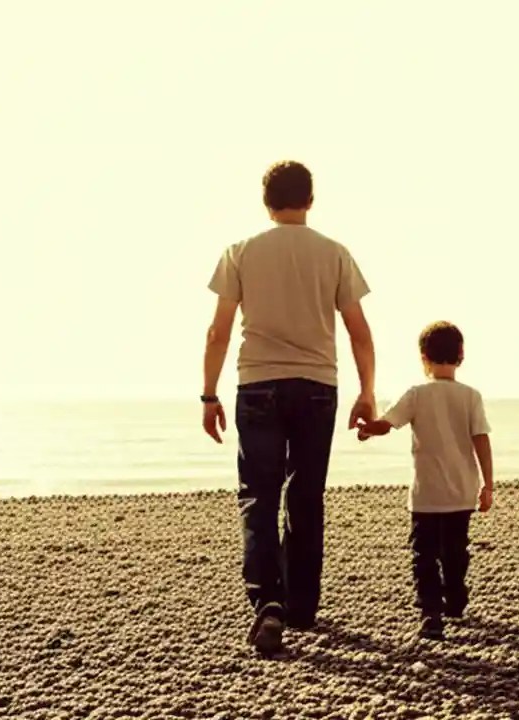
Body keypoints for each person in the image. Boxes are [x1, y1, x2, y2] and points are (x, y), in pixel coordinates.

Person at [201, 160, 377, 654]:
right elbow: (359, 331)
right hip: (318, 385)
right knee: (305, 495)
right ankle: (301, 606)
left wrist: (209, 393)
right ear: (311, 200)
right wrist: (367, 392)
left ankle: (266, 604)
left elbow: (218, 332)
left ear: (266, 201)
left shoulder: (240, 252)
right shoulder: (334, 253)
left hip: (257, 384)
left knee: (258, 495)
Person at [355, 321, 493, 640]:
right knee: (456, 550)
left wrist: (366, 428)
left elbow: (388, 423)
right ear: (461, 355)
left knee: (424, 554)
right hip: (461, 491)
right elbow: (481, 441)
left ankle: (431, 612)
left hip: (426, 495)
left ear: (423, 357)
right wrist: (488, 485)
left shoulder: (417, 394)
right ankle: (456, 598)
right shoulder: (471, 396)